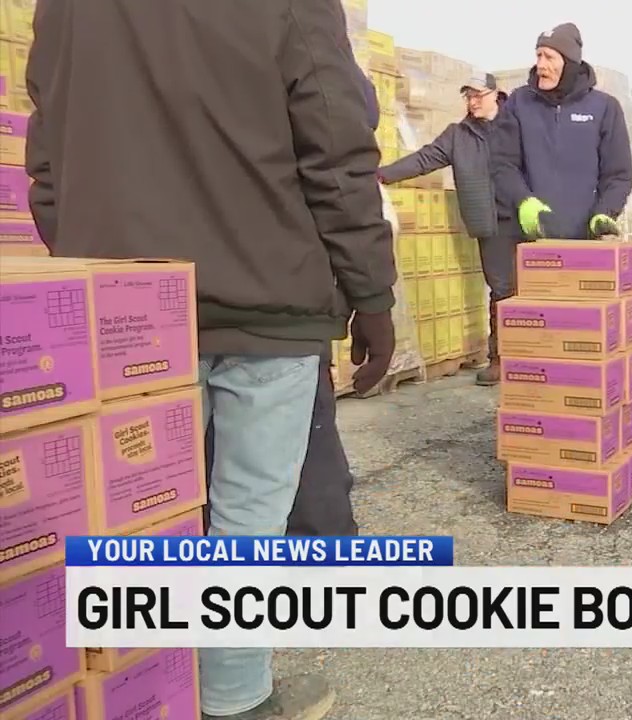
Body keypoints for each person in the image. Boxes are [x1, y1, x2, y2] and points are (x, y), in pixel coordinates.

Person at [26, 1, 398, 718]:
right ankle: (233, 698)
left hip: (125, 302)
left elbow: (48, 147)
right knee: (248, 516)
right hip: (265, 300)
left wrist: (84, 253)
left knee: (138, 518)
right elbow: (334, 143)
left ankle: (145, 696)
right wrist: (370, 291)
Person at [203, 63, 383, 539]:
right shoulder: (289, 23)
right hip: (272, 303)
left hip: (141, 300)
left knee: (158, 508)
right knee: (267, 511)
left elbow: (50, 158)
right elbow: (340, 152)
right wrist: (370, 294)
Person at [377, 73, 510, 385]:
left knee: (535, 289)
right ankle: (500, 359)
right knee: (502, 292)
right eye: (468, 95)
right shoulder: (458, 135)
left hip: (525, 218)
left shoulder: (517, 126)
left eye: (479, 94)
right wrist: (381, 175)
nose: (472, 101)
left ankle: (541, 356)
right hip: (491, 225)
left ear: (496, 95)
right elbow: (426, 158)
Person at [491, 22, 632, 244]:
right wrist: (523, 201)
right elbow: (502, 163)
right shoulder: (519, 103)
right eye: (538, 56)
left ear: (569, 63)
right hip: (529, 239)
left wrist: (605, 211)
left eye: (549, 57)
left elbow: (618, 174)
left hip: (585, 241)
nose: (540, 65)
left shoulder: (605, 108)